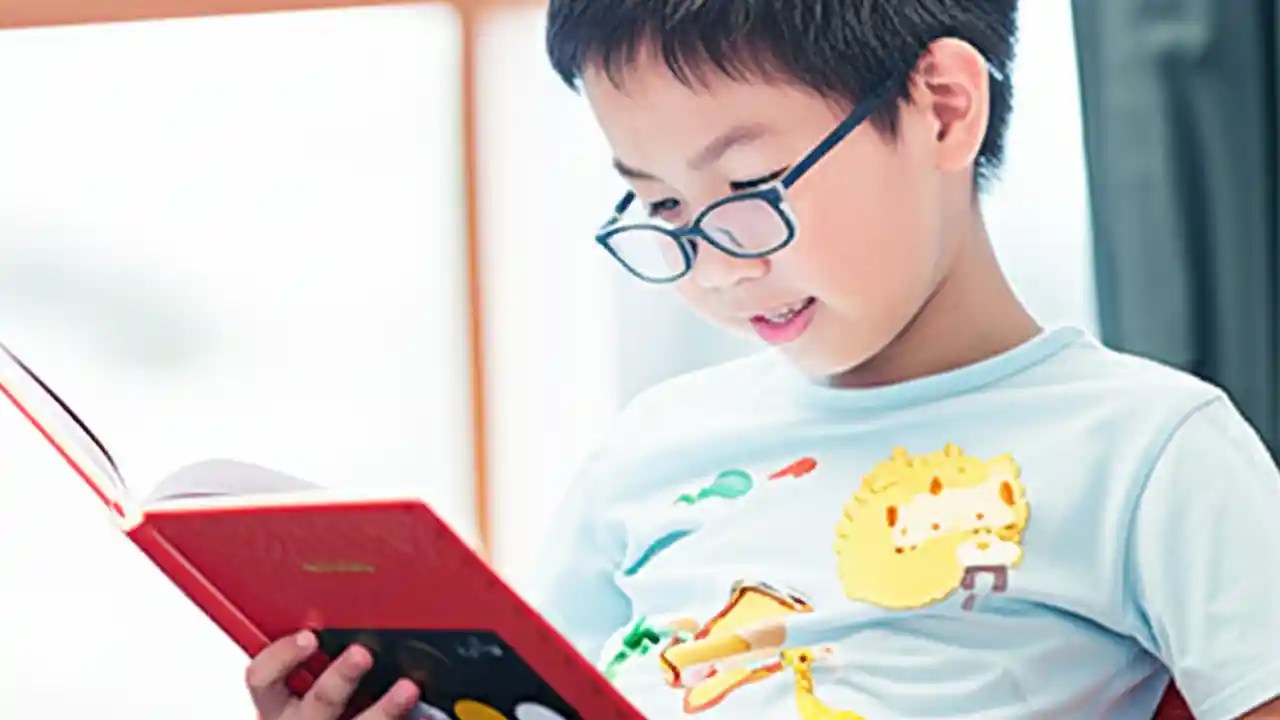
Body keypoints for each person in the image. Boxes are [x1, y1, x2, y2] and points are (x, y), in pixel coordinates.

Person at [242, 1, 1280, 718]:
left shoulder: (1148, 447)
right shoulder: (652, 444)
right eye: (659, 207)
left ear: (941, 107)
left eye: (746, 190)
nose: (714, 269)